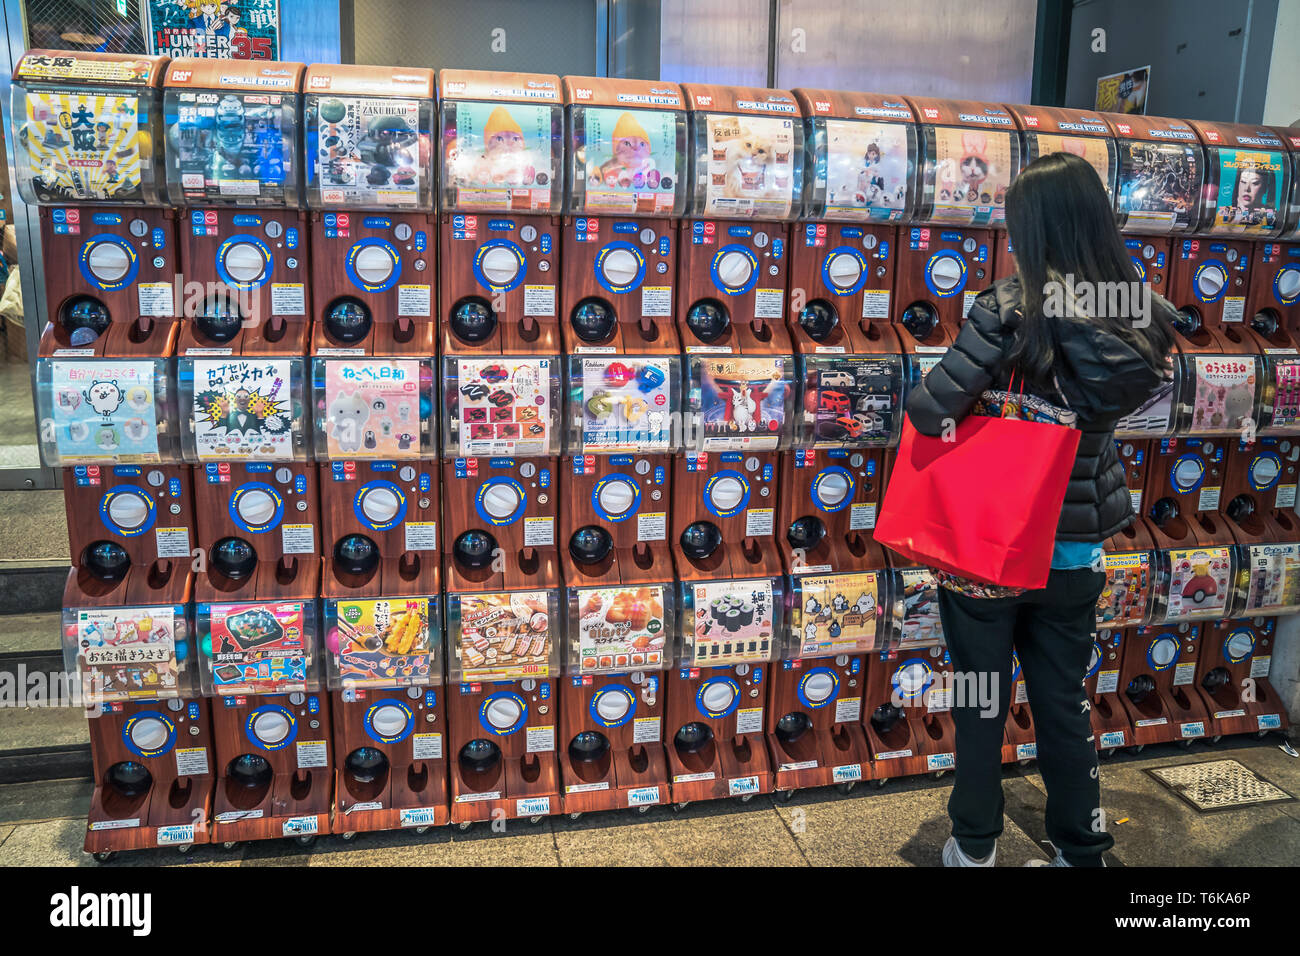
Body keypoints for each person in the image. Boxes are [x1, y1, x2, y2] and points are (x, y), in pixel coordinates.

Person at [905, 151, 1176, 868]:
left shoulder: (1008, 307)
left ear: (1031, 227)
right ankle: (1081, 848)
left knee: (980, 699)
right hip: (1075, 549)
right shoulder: (1137, 312)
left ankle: (975, 846)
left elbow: (929, 408)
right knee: (1062, 702)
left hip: (988, 555)